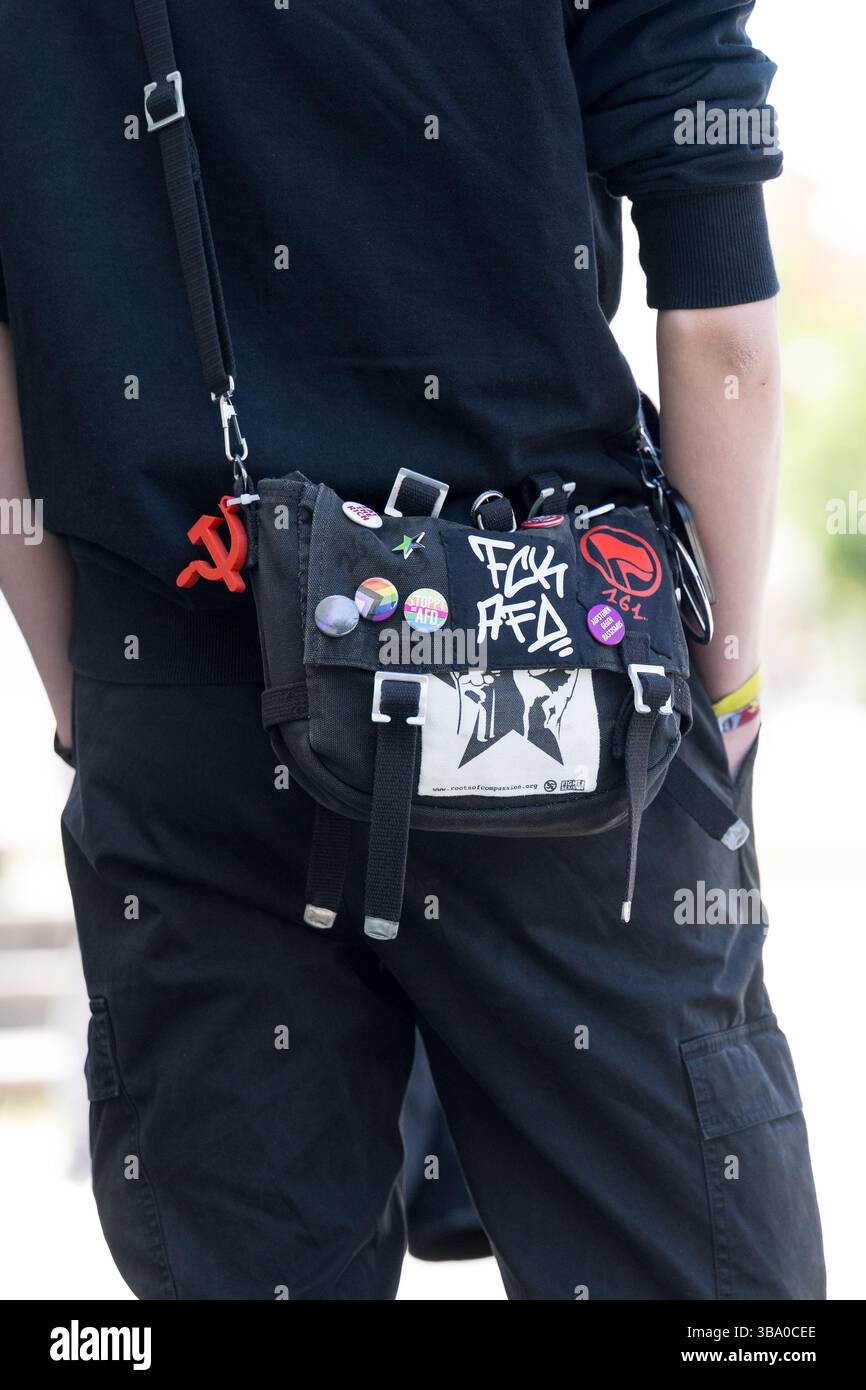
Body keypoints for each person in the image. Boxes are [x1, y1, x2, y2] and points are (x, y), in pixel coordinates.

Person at [0, 1, 825, 1299]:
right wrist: (721, 674)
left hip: (181, 675)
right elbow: (718, 326)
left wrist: (86, 696)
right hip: (555, 657)